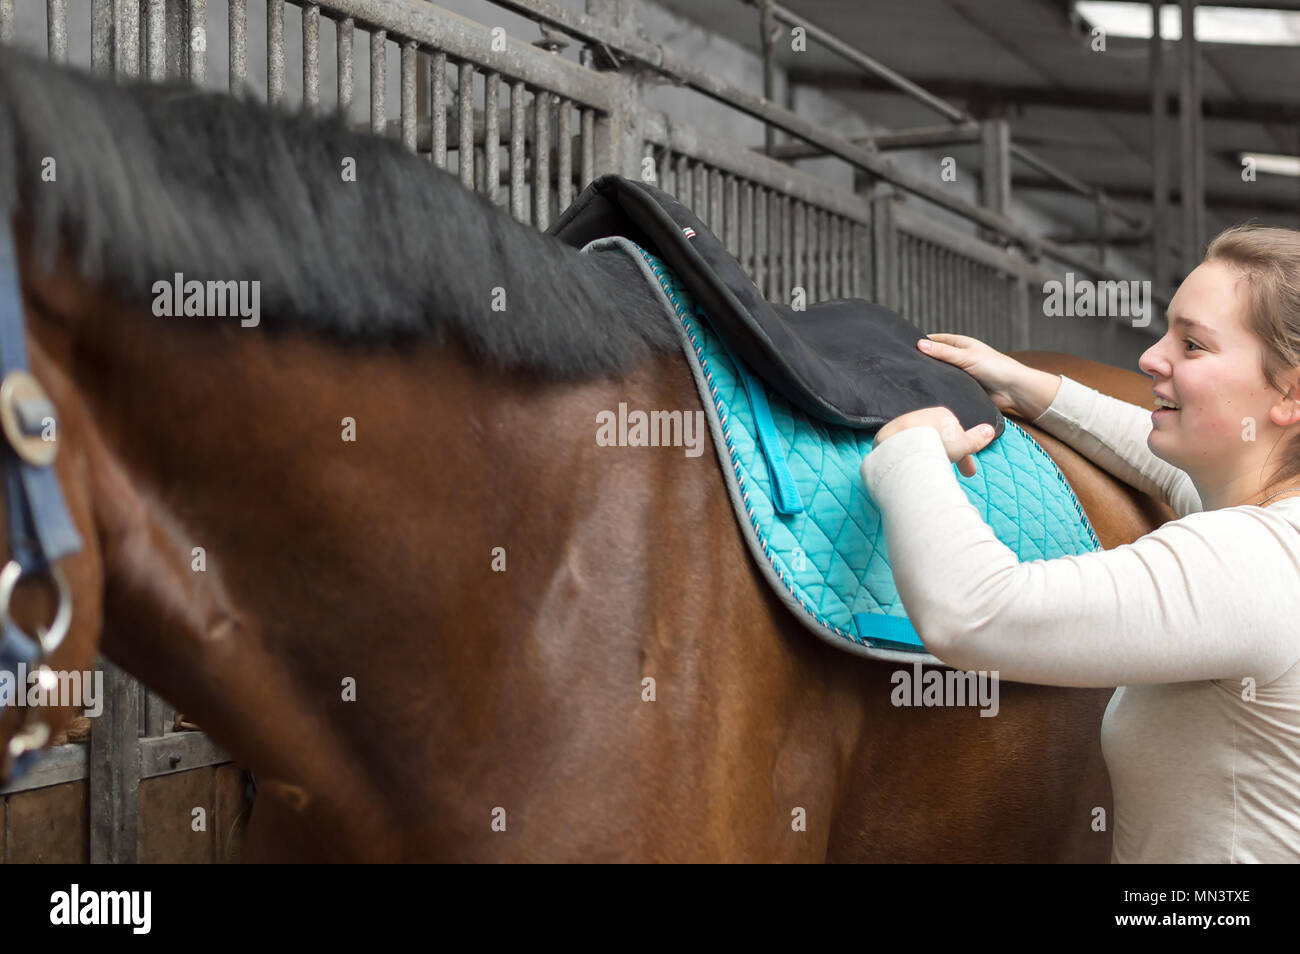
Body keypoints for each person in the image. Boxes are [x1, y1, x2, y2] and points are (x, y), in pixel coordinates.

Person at [860, 224, 1300, 863]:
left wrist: (906, 453)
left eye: (1193, 345)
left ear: (1289, 393)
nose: (1150, 358)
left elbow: (978, 613)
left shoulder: (1255, 563)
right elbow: (1171, 471)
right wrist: (1026, 385)